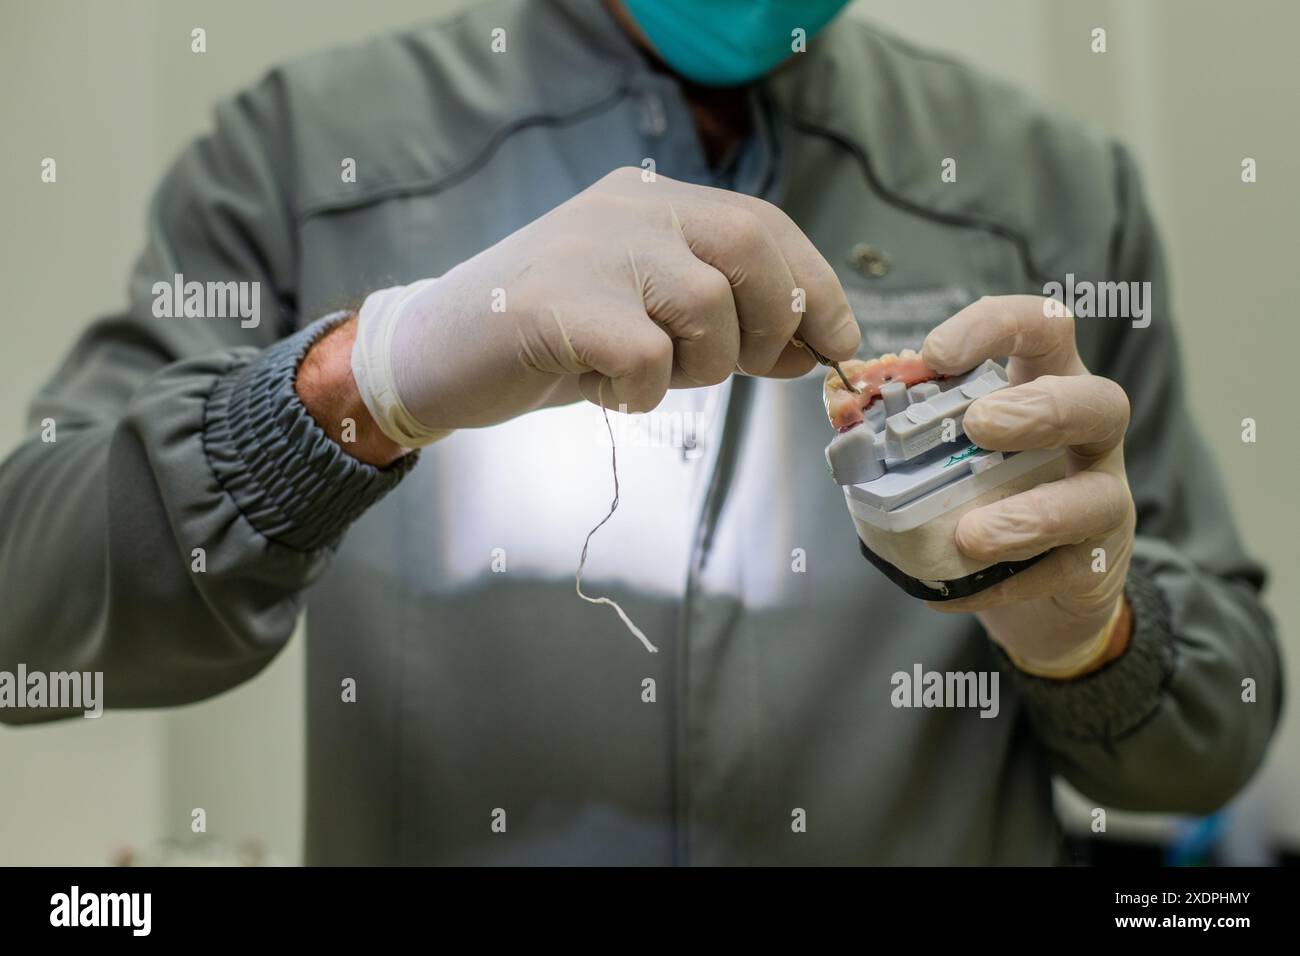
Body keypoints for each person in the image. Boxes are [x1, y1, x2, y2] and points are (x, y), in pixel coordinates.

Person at [0, 0, 1281, 865]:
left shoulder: (1052, 187)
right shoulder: (300, 150)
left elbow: (1219, 724)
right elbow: (25, 605)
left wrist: (1087, 634)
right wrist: (368, 373)